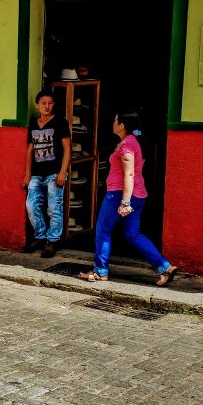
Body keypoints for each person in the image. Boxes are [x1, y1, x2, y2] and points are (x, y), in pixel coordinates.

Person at [79, 112, 177, 286]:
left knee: (103, 230)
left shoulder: (127, 145)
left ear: (122, 125)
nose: (113, 122)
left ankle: (100, 271)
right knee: (133, 234)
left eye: (115, 120)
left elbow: (129, 173)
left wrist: (125, 202)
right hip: (138, 194)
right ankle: (164, 267)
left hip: (119, 195)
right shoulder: (133, 142)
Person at [21, 89, 71, 258]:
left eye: (50, 103)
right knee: (31, 206)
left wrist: (62, 172)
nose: (46, 106)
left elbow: (67, 148)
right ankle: (40, 236)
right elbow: (29, 150)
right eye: (43, 103)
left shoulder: (60, 123)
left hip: (54, 172)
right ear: (37, 105)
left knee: (54, 207)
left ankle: (53, 240)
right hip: (36, 173)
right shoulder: (34, 124)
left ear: (53, 105)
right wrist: (27, 174)